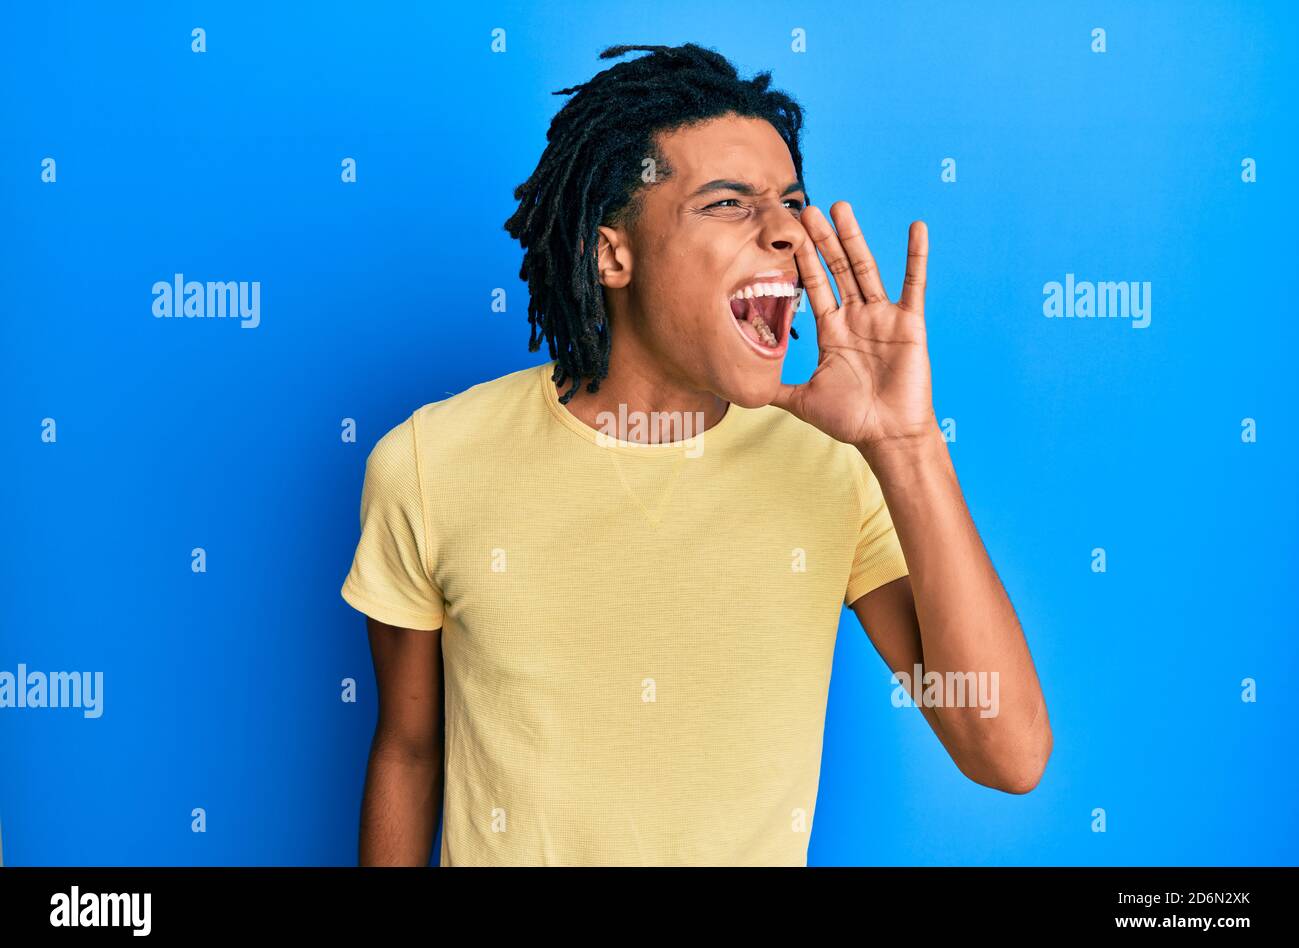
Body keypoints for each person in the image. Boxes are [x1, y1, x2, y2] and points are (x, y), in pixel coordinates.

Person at [341, 43, 1052, 866]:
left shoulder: (836, 466)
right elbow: (407, 749)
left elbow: (1006, 752)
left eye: (792, 201)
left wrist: (908, 445)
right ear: (613, 254)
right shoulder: (431, 463)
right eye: (728, 203)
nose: (788, 231)